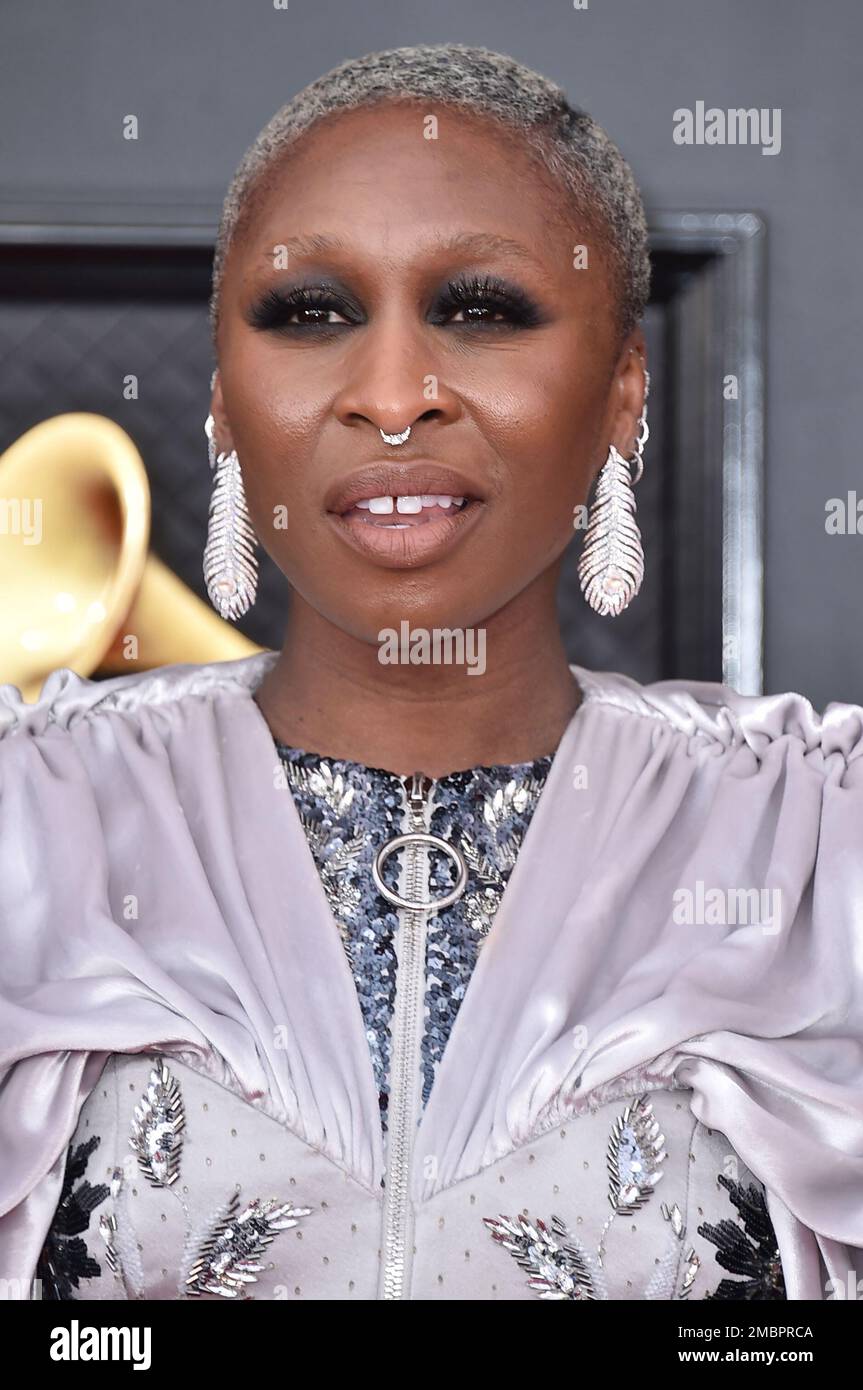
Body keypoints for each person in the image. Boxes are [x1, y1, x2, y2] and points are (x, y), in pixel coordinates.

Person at [1, 42, 861, 1303]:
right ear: (222, 405)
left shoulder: (817, 850)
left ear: (624, 391)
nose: (394, 395)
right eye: (309, 314)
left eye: (481, 310)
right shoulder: (29, 826)